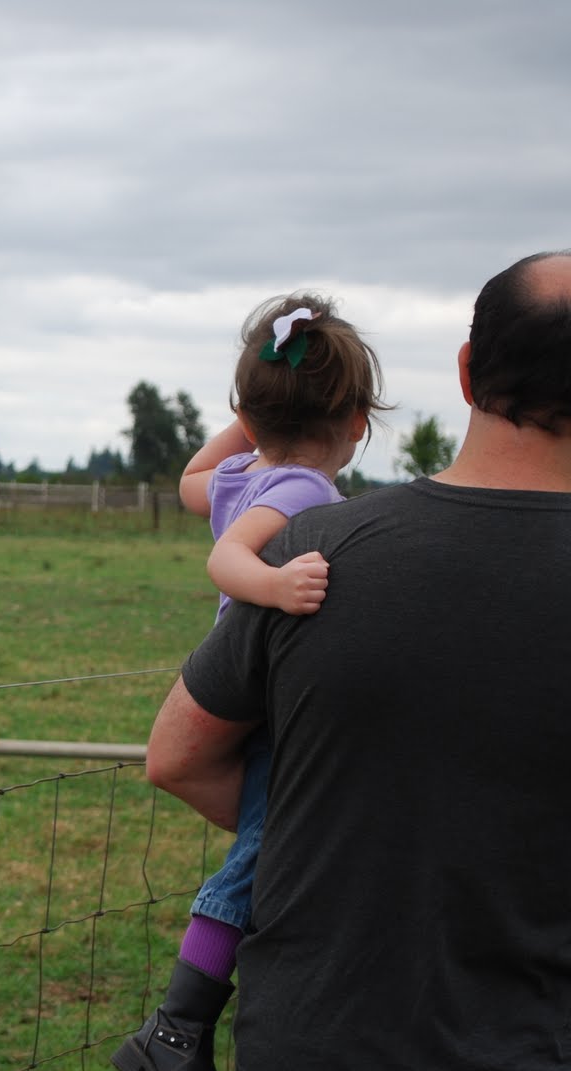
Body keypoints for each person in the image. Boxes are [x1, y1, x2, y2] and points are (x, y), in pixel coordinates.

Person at [144, 250, 571, 1069]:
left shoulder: (317, 549)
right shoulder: (300, 518)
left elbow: (175, 756)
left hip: (312, 1030)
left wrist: (347, 829)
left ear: (468, 369)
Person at [111, 293, 389, 1071]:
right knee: (261, 853)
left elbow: (191, 479)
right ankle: (173, 1028)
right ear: (358, 423)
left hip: (230, 674)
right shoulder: (301, 488)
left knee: (284, 832)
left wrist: (248, 418)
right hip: (270, 690)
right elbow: (225, 558)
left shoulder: (242, 470)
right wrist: (276, 588)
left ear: (249, 414)